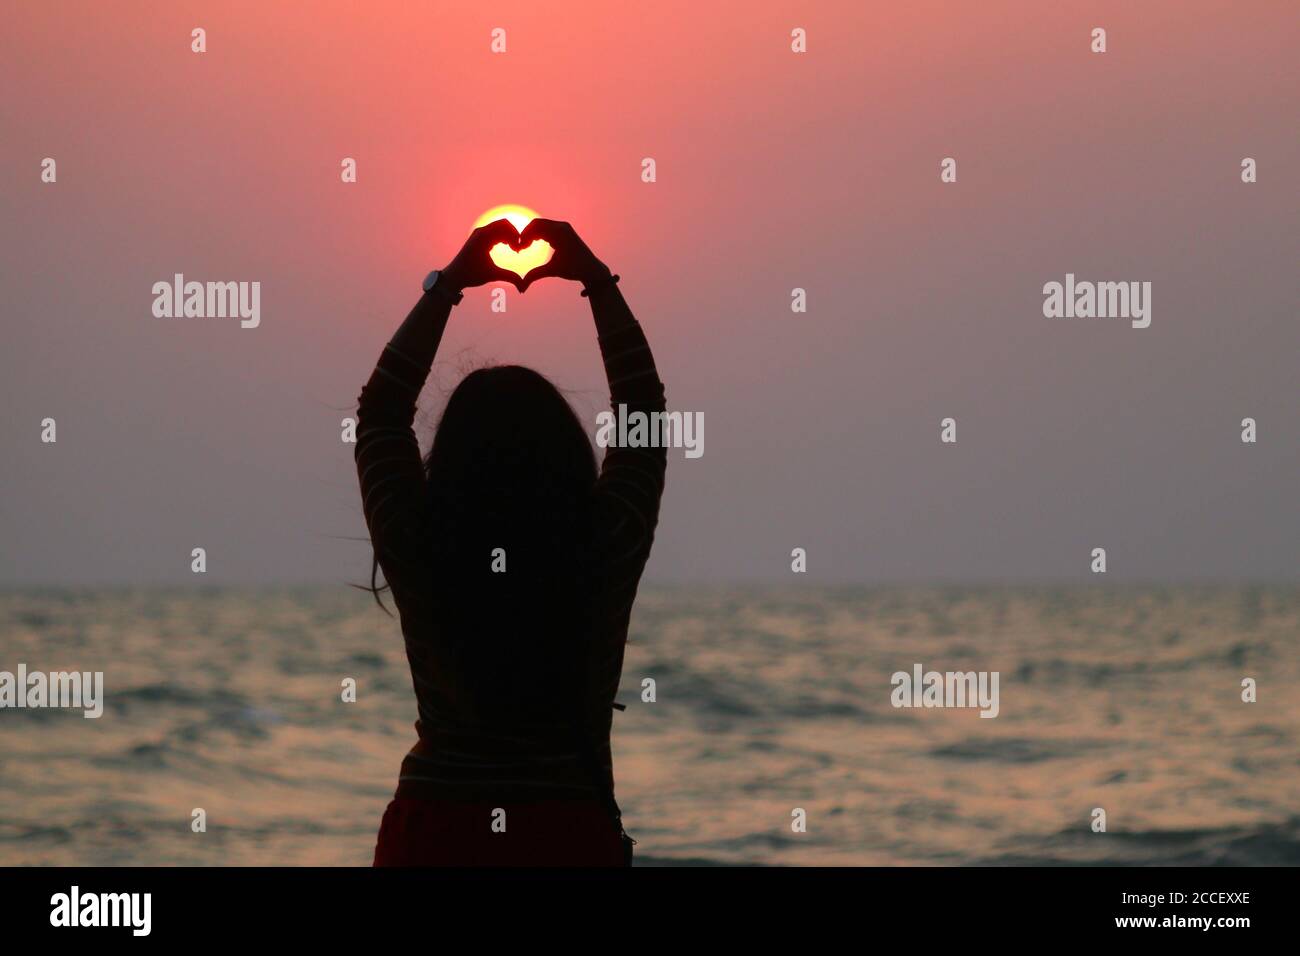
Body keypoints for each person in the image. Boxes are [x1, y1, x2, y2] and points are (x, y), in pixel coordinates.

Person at [355, 219, 667, 865]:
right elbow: (641, 409)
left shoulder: (421, 541)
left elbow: (383, 413)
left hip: (433, 831)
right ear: (569, 457)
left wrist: (448, 287)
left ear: (451, 461)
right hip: (565, 831)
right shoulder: (603, 544)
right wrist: (596, 282)